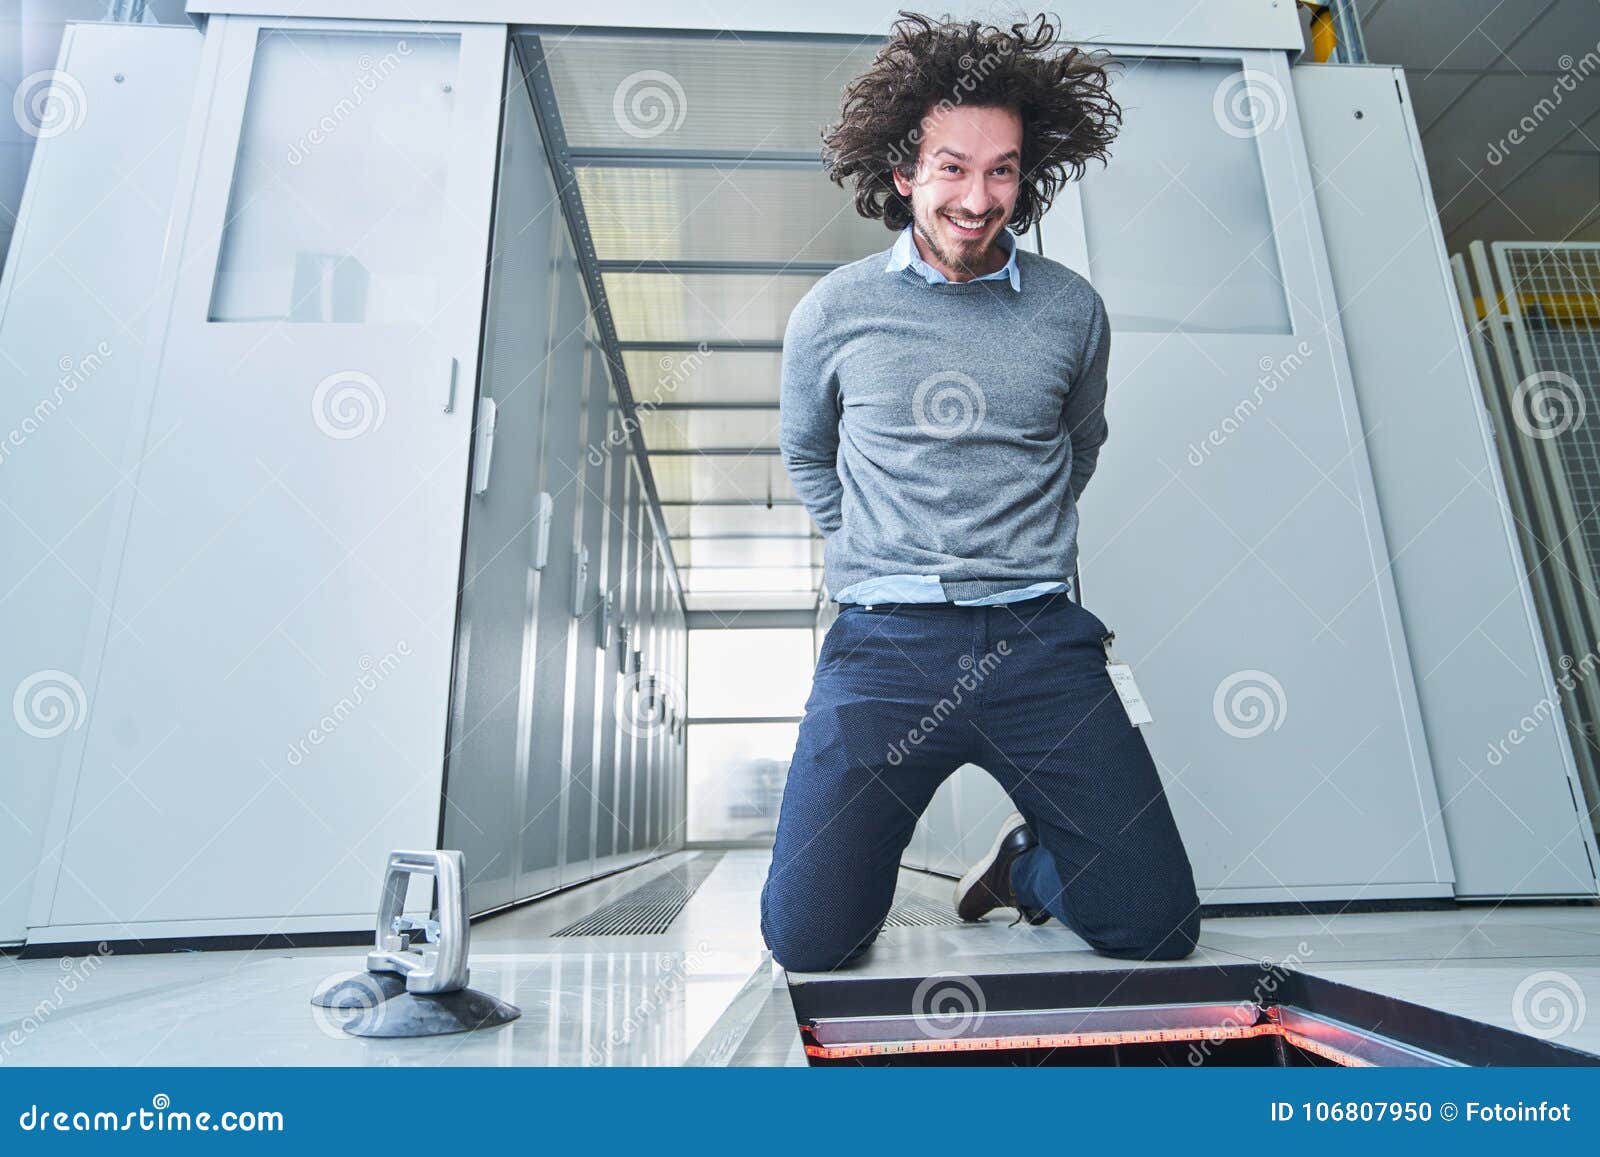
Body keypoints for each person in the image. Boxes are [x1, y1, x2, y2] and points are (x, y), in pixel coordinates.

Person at [759, 11, 1202, 972]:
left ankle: (1026, 873)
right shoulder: (834, 310)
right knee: (810, 938)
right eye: (951, 166)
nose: (977, 195)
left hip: (1040, 644)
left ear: (1026, 178)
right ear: (903, 172)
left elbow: (1078, 448)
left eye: (1001, 169)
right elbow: (807, 455)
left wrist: (1017, 544)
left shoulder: (1070, 309)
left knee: (1156, 926)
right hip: (883, 647)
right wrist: (877, 550)